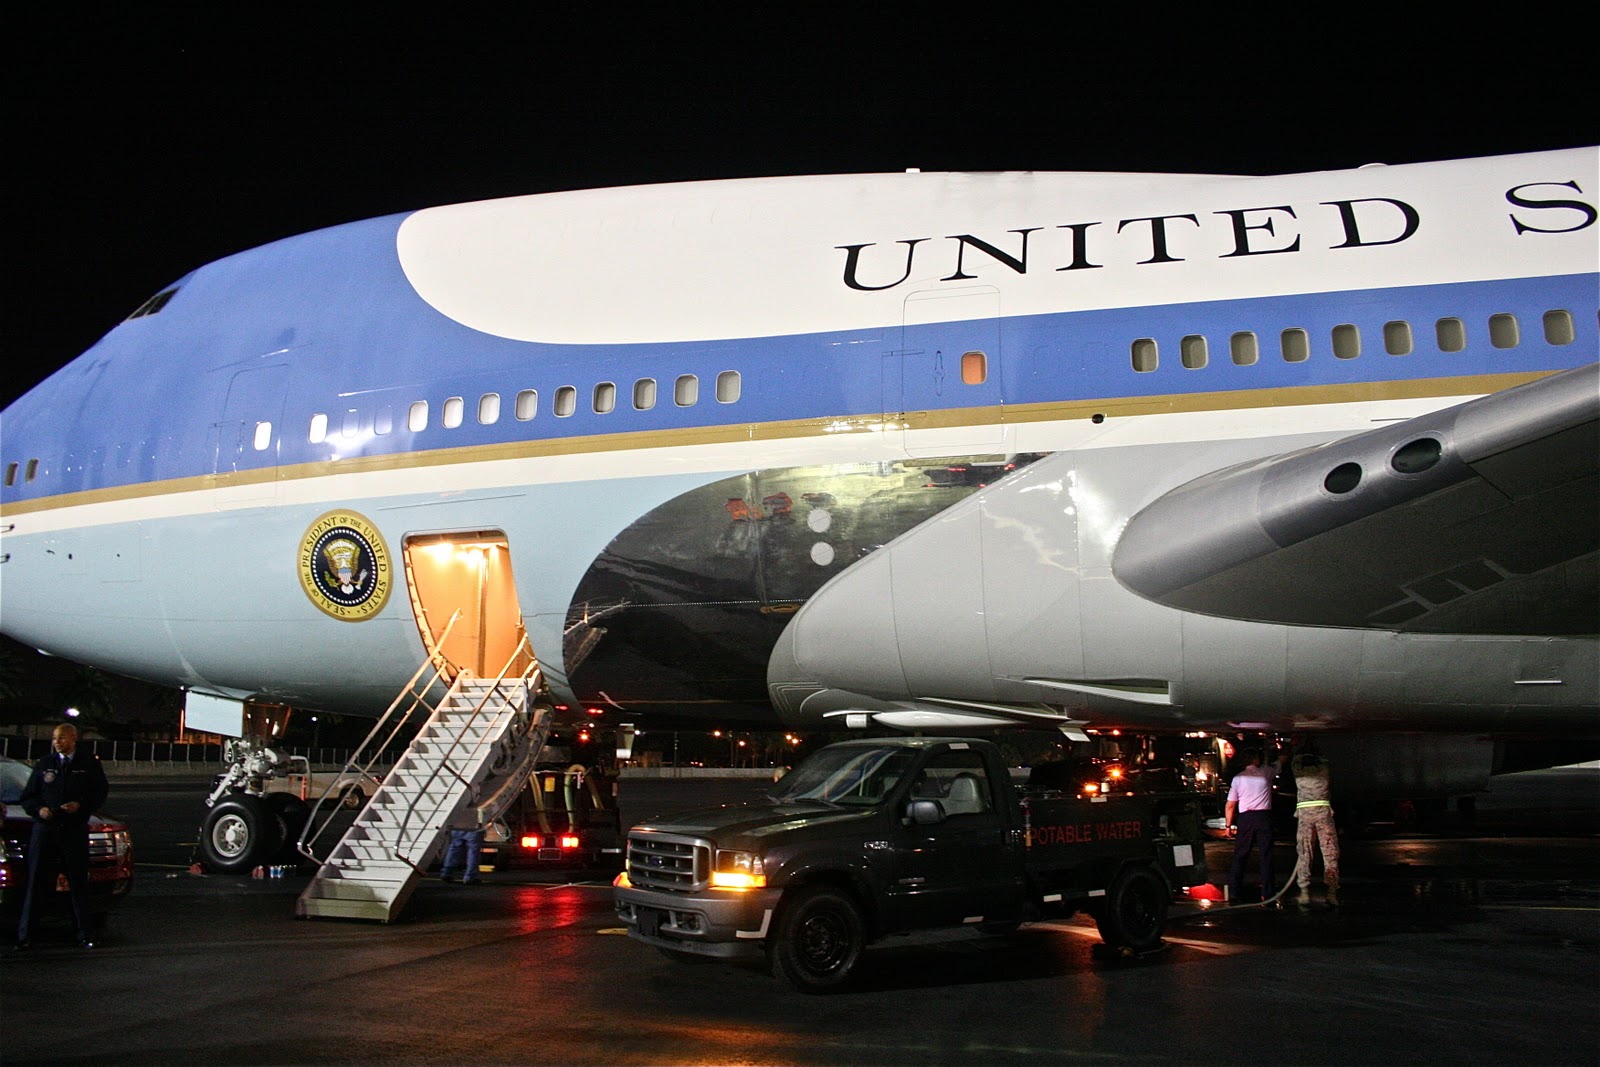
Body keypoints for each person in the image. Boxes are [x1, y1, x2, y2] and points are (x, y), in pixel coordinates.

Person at [16, 724, 110, 949]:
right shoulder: (45, 764)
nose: (57, 742)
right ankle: (25, 936)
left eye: (62, 738)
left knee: (78, 883)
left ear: (73, 738)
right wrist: (39, 809)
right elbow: (28, 796)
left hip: (73, 829)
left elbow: (99, 792)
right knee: (36, 882)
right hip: (45, 830)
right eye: (55, 738)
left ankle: (85, 934)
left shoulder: (87, 764)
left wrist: (81, 806)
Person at [1224, 748, 1275, 903]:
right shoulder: (1266, 772)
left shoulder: (1238, 778)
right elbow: (1280, 762)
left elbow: (1230, 805)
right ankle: (1268, 893)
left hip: (1246, 818)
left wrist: (1228, 826)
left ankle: (1234, 891)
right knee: (1266, 855)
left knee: (1240, 855)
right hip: (1263, 816)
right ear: (1255, 759)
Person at [1291, 752, 1340, 907]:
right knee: (1330, 853)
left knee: (1305, 853)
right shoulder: (1323, 773)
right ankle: (1332, 892)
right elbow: (1325, 761)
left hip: (1305, 818)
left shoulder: (1299, 774)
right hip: (1323, 816)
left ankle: (1304, 892)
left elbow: (1295, 761)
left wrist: (1301, 751)